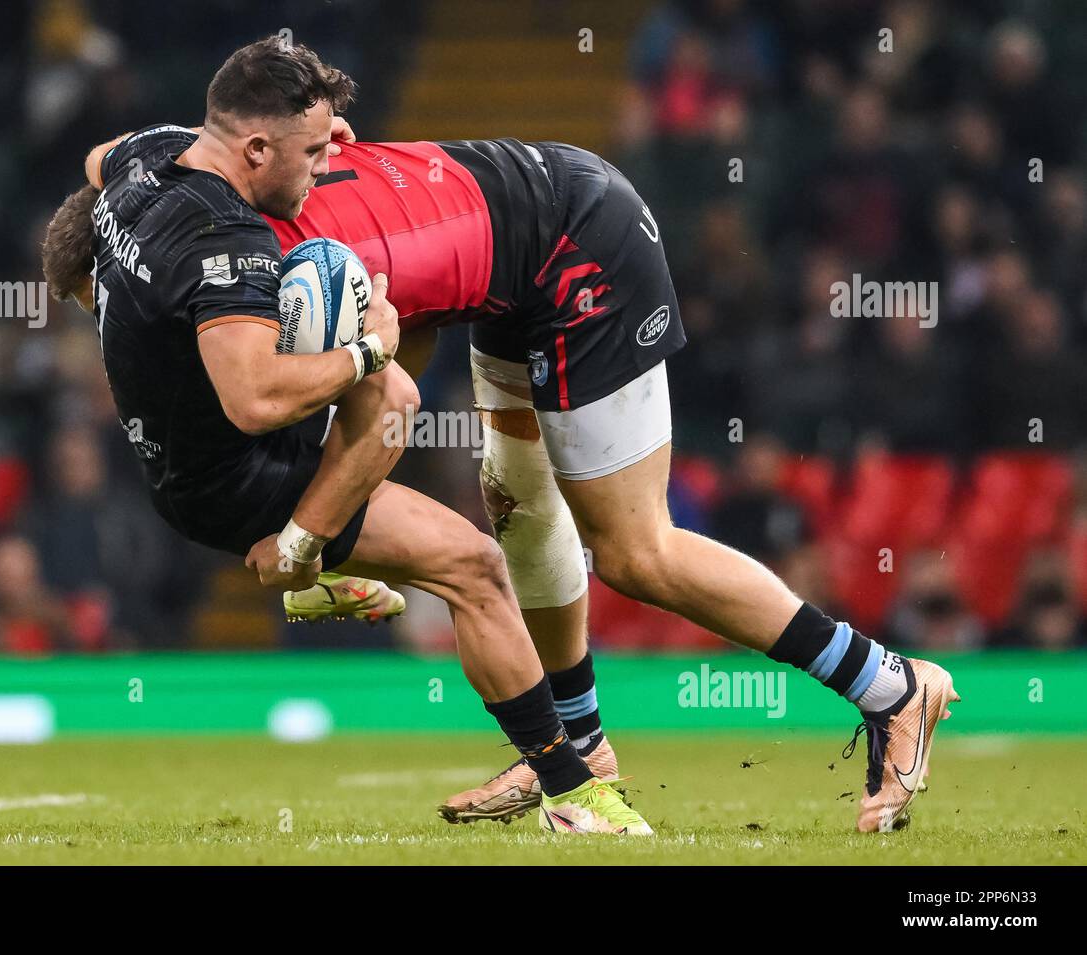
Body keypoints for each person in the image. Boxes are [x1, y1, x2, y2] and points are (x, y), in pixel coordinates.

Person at [48, 38, 960, 834]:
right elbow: (103, 164)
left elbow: (384, 403)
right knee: (518, 513)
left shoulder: (281, 269)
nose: (332, 158)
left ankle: (890, 685)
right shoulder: (171, 171)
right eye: (320, 148)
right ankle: (581, 756)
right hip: (499, 265)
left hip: (578, 239)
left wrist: (305, 550)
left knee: (634, 551)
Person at [70, 37, 646, 835]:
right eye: (311, 152)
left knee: (380, 394)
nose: (326, 167)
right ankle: (573, 792)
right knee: (464, 544)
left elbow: (98, 159)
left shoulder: (145, 160)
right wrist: (367, 345)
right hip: (234, 477)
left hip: (174, 455)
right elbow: (254, 400)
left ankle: (314, 565)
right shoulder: (222, 240)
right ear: (257, 147)